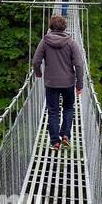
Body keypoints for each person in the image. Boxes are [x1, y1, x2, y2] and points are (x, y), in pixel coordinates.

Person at [31, 14, 85, 151]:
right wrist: (79, 85)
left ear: (50, 27)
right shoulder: (71, 42)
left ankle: (55, 141)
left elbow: (36, 61)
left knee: (53, 112)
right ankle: (66, 135)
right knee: (68, 108)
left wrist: (38, 73)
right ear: (64, 27)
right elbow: (79, 65)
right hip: (68, 83)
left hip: (51, 83)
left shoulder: (44, 41)